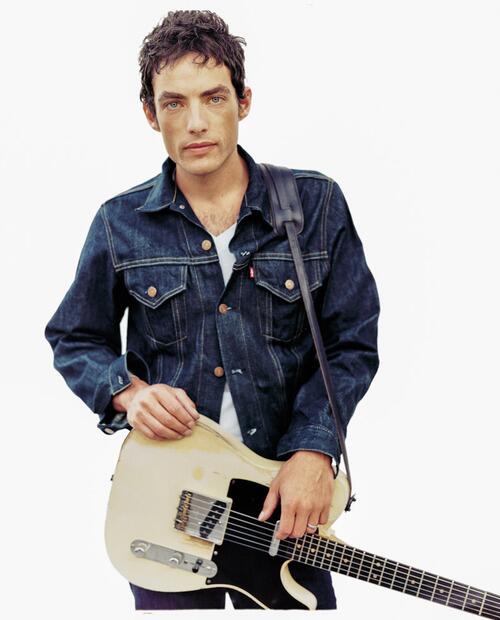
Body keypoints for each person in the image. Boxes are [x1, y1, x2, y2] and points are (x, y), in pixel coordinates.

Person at [44, 9, 380, 611]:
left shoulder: (315, 205)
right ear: (150, 114)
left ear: (243, 101)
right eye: (174, 103)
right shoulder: (120, 224)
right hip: (167, 505)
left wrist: (314, 449)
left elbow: (350, 343)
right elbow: (74, 337)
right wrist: (128, 393)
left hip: (285, 496)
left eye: (213, 97)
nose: (195, 122)